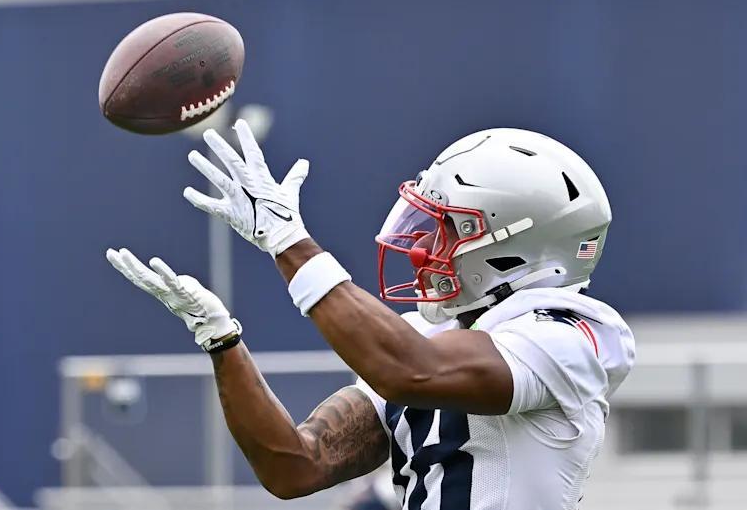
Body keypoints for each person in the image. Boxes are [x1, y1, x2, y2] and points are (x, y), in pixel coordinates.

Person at [106, 120, 636, 509]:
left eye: (450, 227)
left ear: (514, 243)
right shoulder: (428, 336)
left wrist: (291, 243)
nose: (425, 246)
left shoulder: (572, 335)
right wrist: (222, 340)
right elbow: (294, 464)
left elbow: (413, 371)